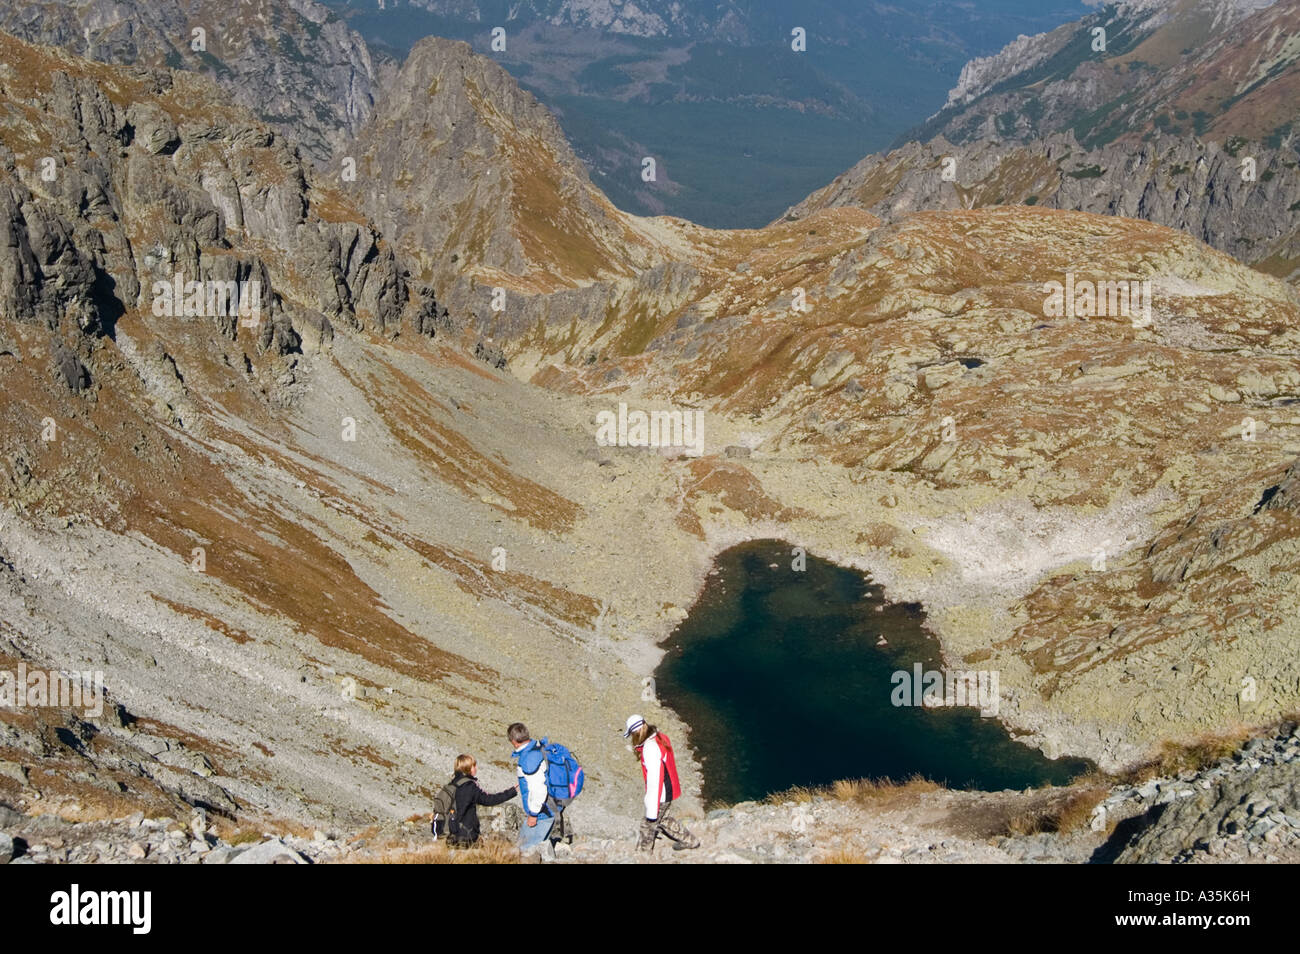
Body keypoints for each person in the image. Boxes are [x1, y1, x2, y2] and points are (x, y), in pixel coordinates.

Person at [623, 714, 700, 852]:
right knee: (664, 819)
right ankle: (691, 841)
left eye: (632, 735)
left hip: (661, 792)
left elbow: (655, 779)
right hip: (670, 788)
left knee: (647, 825)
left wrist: (652, 806)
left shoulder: (649, 748)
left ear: (636, 733)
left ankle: (642, 856)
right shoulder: (660, 737)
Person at [444, 754, 517, 847]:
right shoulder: (469, 786)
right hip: (468, 835)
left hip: (453, 834)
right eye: (474, 766)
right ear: (467, 768)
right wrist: (512, 791)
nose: (476, 768)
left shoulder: (452, 784)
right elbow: (489, 800)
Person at [508, 722, 555, 856]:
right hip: (549, 807)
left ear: (514, 741)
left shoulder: (528, 759)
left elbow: (539, 789)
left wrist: (533, 814)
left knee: (524, 852)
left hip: (541, 813)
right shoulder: (537, 747)